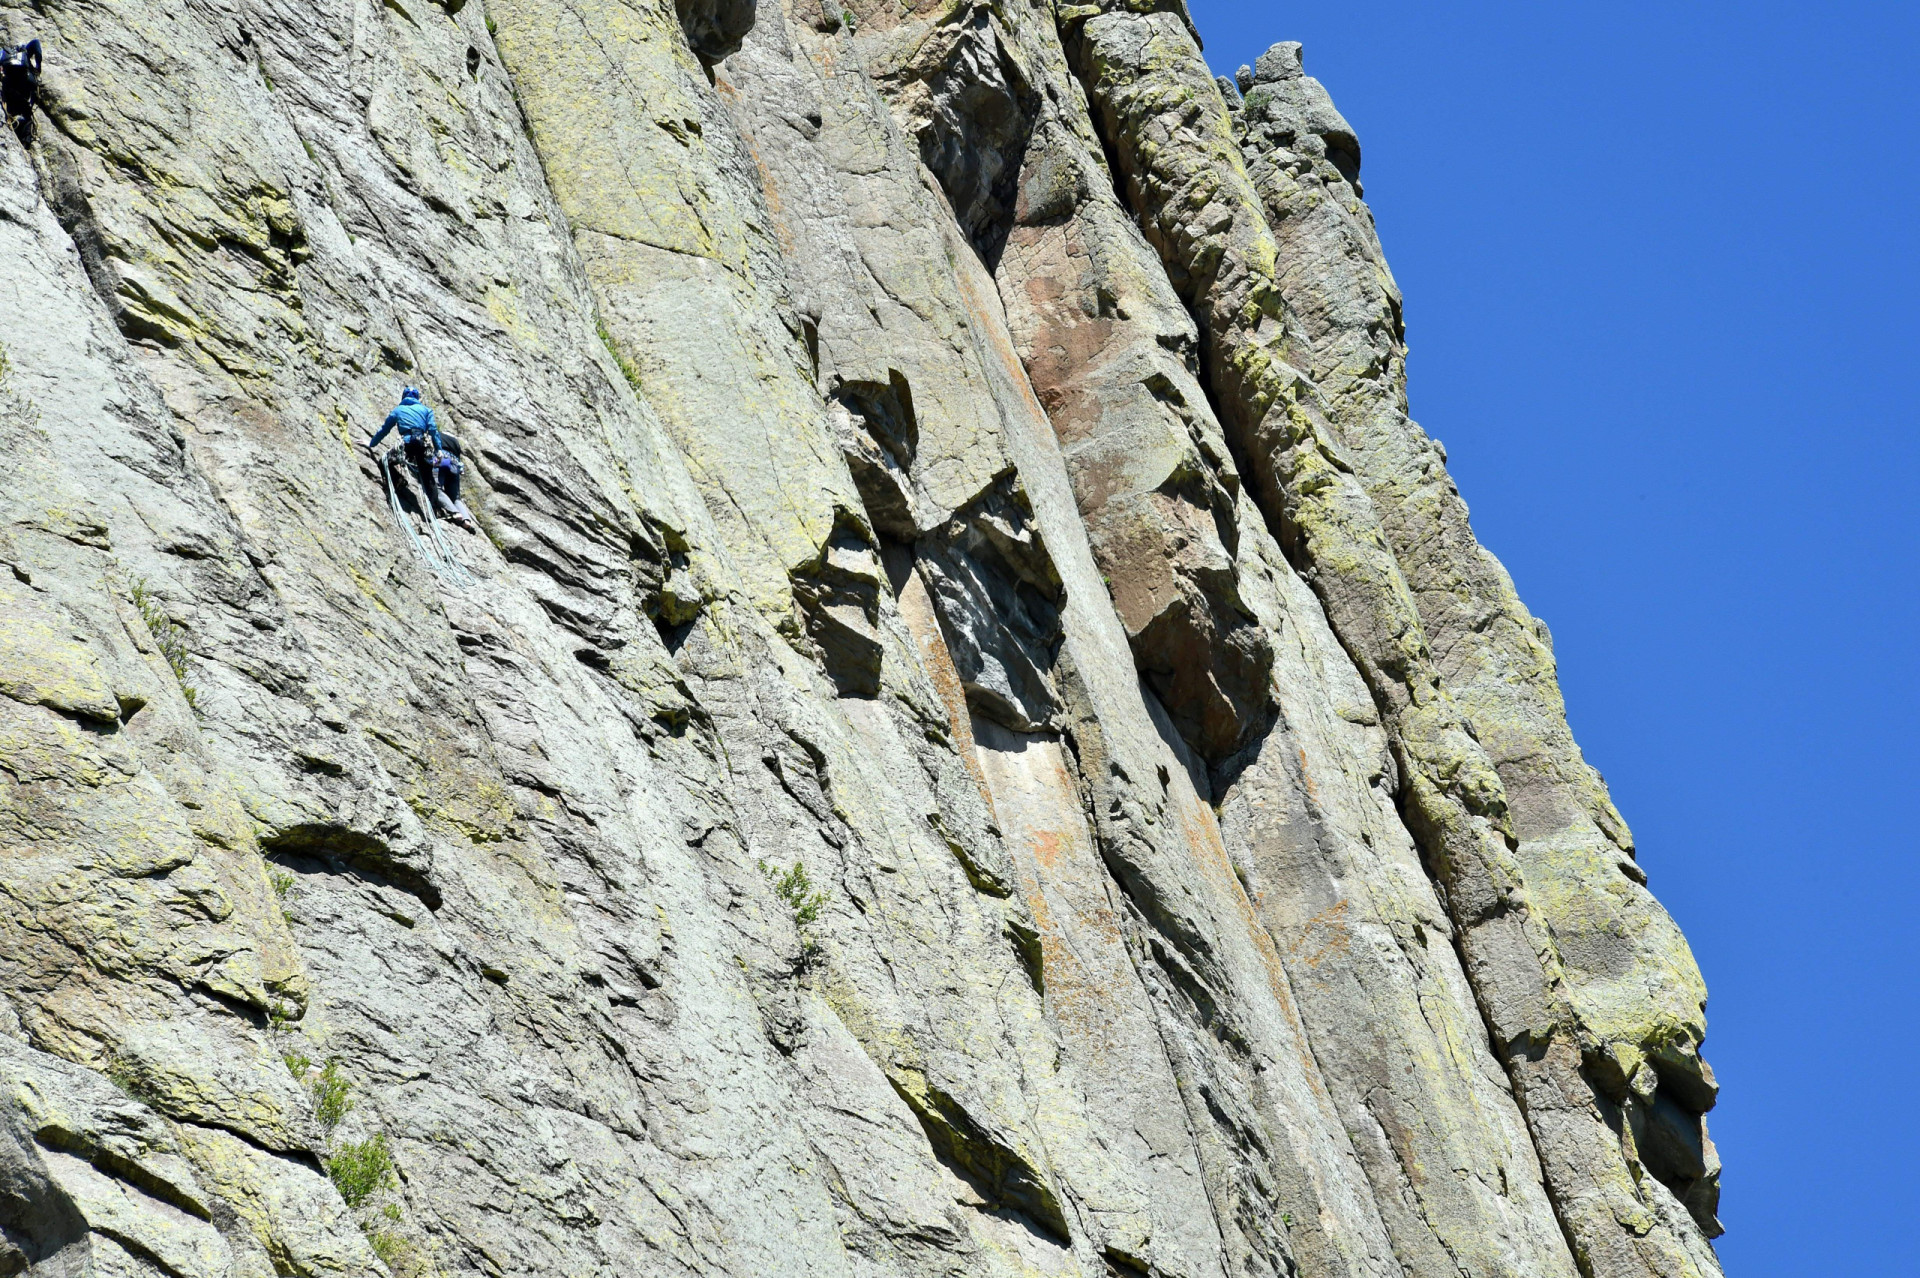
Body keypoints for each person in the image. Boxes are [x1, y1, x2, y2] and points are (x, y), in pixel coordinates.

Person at [369, 387, 476, 532]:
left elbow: (384, 429)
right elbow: (433, 431)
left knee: (385, 461)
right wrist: (438, 450)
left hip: (407, 444)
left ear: (403, 397)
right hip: (429, 450)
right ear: (418, 398)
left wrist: (371, 444)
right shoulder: (426, 410)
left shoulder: (398, 410)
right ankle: (437, 511)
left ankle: (398, 479)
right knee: (430, 481)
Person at [1, 38, 41, 147]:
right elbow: (36, 44)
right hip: (27, 82)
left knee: (11, 105)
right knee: (27, 111)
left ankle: (13, 120)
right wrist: (38, 67)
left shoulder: (4, 53)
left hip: (9, 84)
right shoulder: (25, 53)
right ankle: (26, 141)